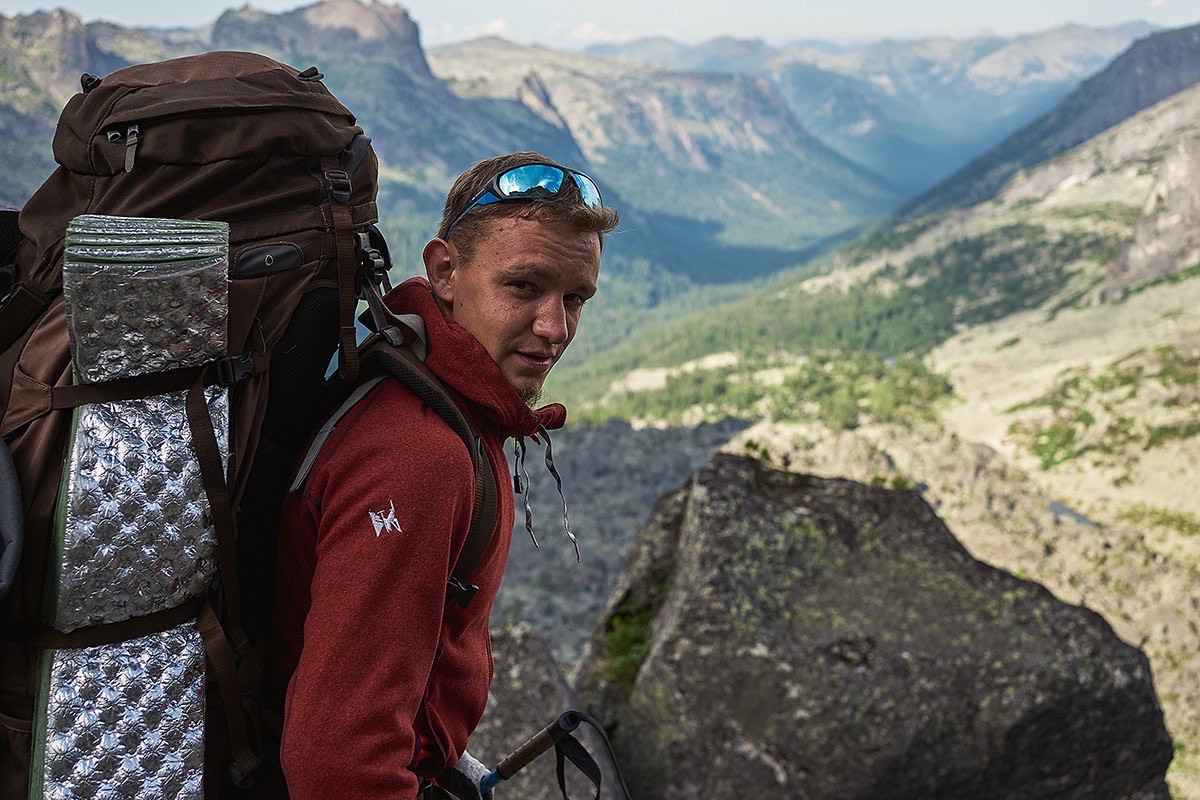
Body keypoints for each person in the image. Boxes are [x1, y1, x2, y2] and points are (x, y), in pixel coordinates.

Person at [266, 151, 619, 800]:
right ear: (444, 271)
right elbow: (338, 769)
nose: (555, 328)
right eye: (524, 287)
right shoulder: (419, 457)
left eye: (576, 298)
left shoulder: (428, 382)